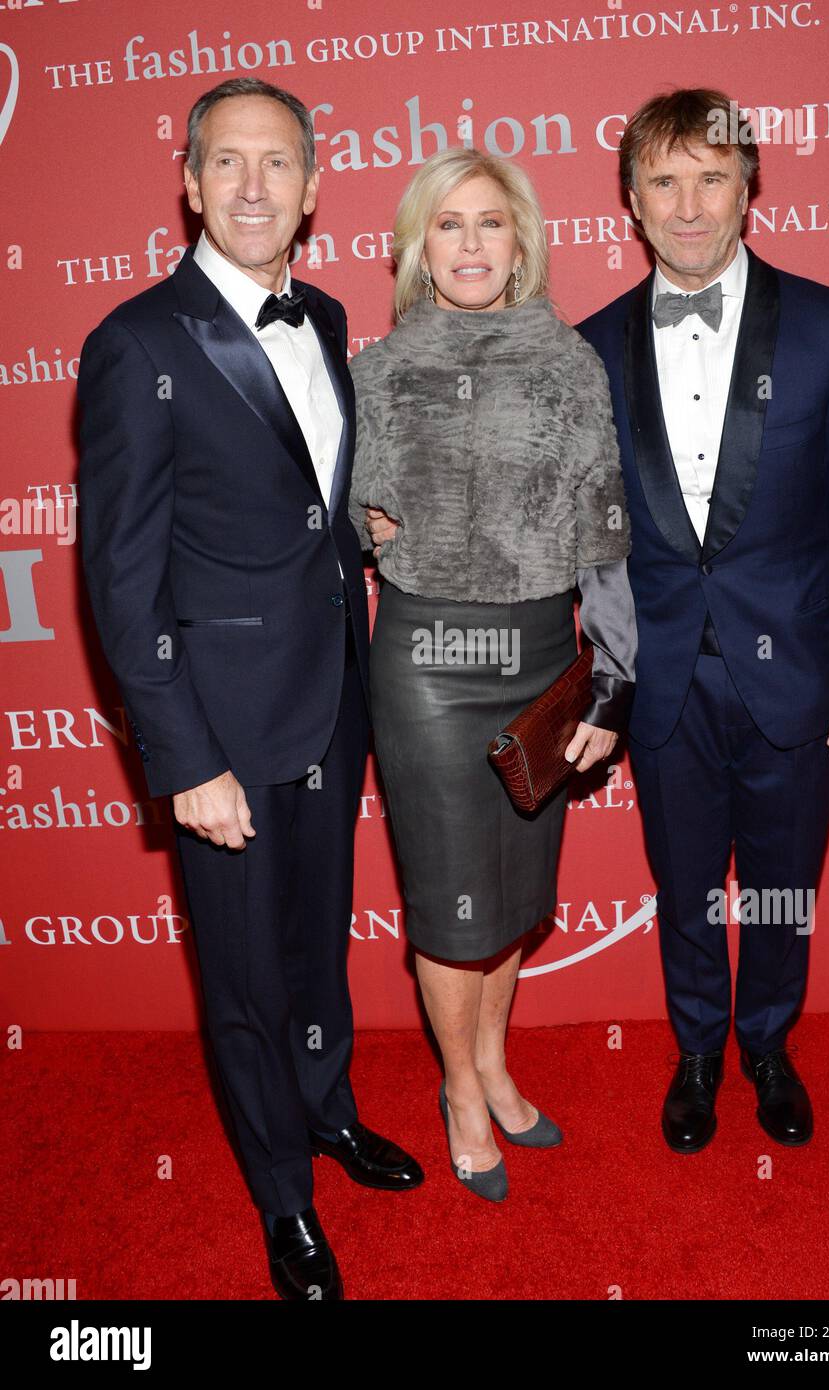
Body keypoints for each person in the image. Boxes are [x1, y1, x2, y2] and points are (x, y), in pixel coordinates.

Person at [77, 77, 422, 1302]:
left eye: (278, 164)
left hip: (331, 702)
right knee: (239, 983)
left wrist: (355, 530)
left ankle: (325, 1112)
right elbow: (119, 581)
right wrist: (180, 759)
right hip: (219, 725)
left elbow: (299, 501)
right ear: (189, 182)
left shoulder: (323, 315)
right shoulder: (137, 344)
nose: (254, 187)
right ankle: (283, 1196)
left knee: (315, 949)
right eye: (228, 162)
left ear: (315, 188)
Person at [574, 88, 829, 1153]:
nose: (686, 204)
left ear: (747, 187)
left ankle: (765, 1040)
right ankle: (697, 1047)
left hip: (797, 671)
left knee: (778, 884)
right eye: (662, 180)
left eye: (709, 177)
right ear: (628, 198)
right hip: (660, 675)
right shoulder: (587, 348)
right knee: (681, 886)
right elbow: (574, 531)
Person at [351, 148, 637, 1202]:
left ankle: (497, 1063)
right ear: (418, 249)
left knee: (514, 900)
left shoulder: (568, 363)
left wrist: (609, 680)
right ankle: (461, 1091)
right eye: (446, 225)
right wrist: (359, 520)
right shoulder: (376, 370)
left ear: (519, 244)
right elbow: (336, 507)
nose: (468, 244)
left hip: (538, 654)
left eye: (488, 223)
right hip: (426, 658)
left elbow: (603, 525)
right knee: (450, 907)